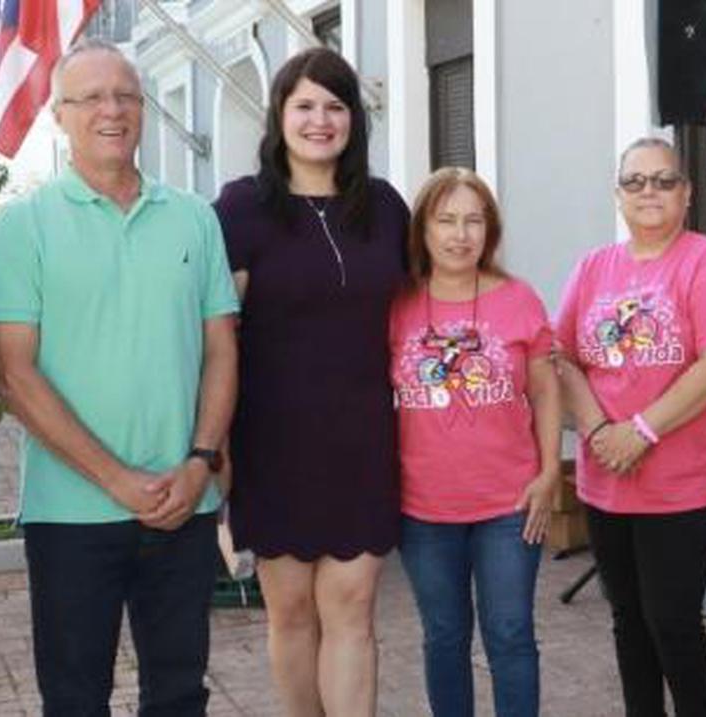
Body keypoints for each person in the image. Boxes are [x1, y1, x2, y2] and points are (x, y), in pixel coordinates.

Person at [0, 39, 238, 716]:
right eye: (90, 97)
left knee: (180, 694)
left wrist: (201, 462)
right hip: (71, 514)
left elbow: (221, 348)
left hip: (184, 503)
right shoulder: (22, 226)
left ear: (144, 110)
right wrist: (117, 478)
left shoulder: (194, 217)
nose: (111, 109)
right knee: (74, 698)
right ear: (60, 115)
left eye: (125, 95)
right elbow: (14, 373)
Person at [212, 47, 408, 716]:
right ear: (279, 115)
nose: (320, 119)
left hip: (363, 440)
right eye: (305, 105)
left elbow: (432, 300)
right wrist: (215, 445)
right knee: (291, 613)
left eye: (335, 104)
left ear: (354, 118)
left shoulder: (384, 208)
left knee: (353, 608)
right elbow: (214, 335)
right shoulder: (241, 209)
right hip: (272, 441)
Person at [555, 137, 706, 716]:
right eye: (635, 181)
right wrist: (597, 432)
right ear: (618, 193)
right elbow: (561, 354)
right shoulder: (594, 267)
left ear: (687, 194)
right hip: (606, 479)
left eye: (664, 180)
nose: (649, 191)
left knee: (671, 623)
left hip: (680, 482)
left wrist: (640, 431)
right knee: (628, 622)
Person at [390, 167, 559, 717]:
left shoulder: (519, 299)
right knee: (443, 636)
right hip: (422, 507)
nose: (460, 234)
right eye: (446, 220)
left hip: (509, 505)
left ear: (490, 230)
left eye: (473, 220)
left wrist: (549, 471)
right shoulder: (397, 305)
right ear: (423, 229)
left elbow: (546, 391)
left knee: (510, 633)